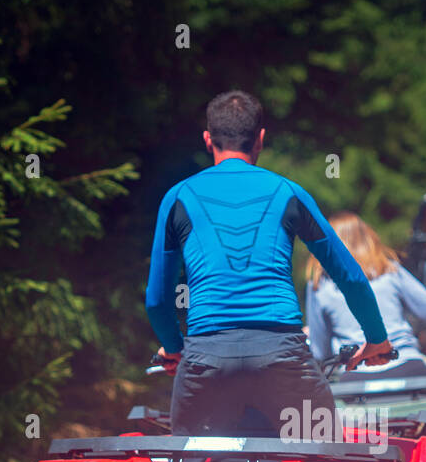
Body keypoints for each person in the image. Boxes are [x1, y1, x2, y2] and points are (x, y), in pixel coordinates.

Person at [144, 91, 394, 436]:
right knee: (323, 461)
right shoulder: (288, 192)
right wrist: (377, 339)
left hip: (206, 358)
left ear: (207, 139)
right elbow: (350, 276)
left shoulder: (178, 197)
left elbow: (157, 300)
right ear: (260, 139)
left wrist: (173, 347)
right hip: (282, 358)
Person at [306, 211, 426, 376]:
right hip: (405, 363)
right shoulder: (390, 271)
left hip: (354, 374)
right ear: (368, 238)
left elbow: (320, 352)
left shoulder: (319, 285)